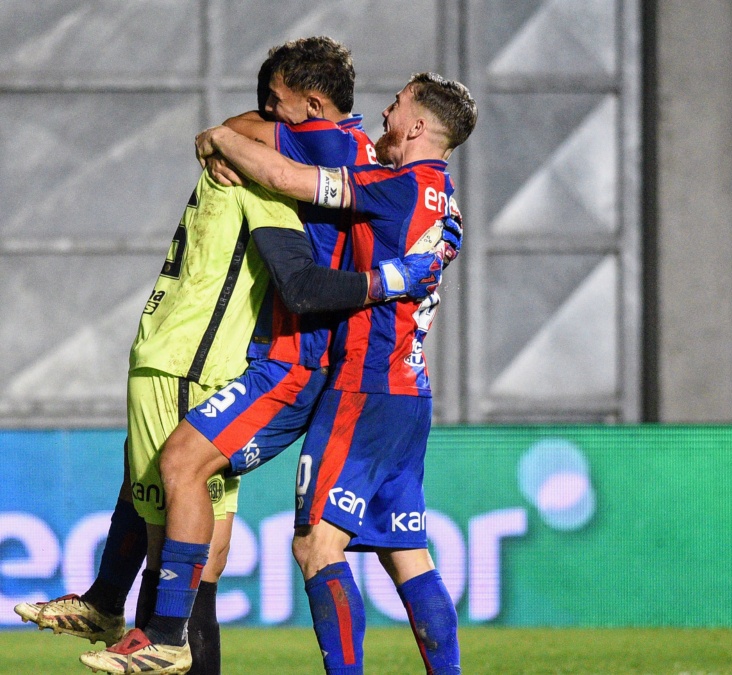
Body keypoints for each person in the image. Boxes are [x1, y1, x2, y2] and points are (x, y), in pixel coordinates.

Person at [20, 38, 440, 675]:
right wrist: (225, 137)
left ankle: (144, 625)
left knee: (192, 510)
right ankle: (122, 611)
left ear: (314, 106)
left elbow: (292, 255)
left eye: (275, 104)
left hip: (262, 363)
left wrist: (221, 138)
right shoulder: (360, 157)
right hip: (306, 368)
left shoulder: (310, 153)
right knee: (200, 513)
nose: (263, 115)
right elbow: (247, 136)